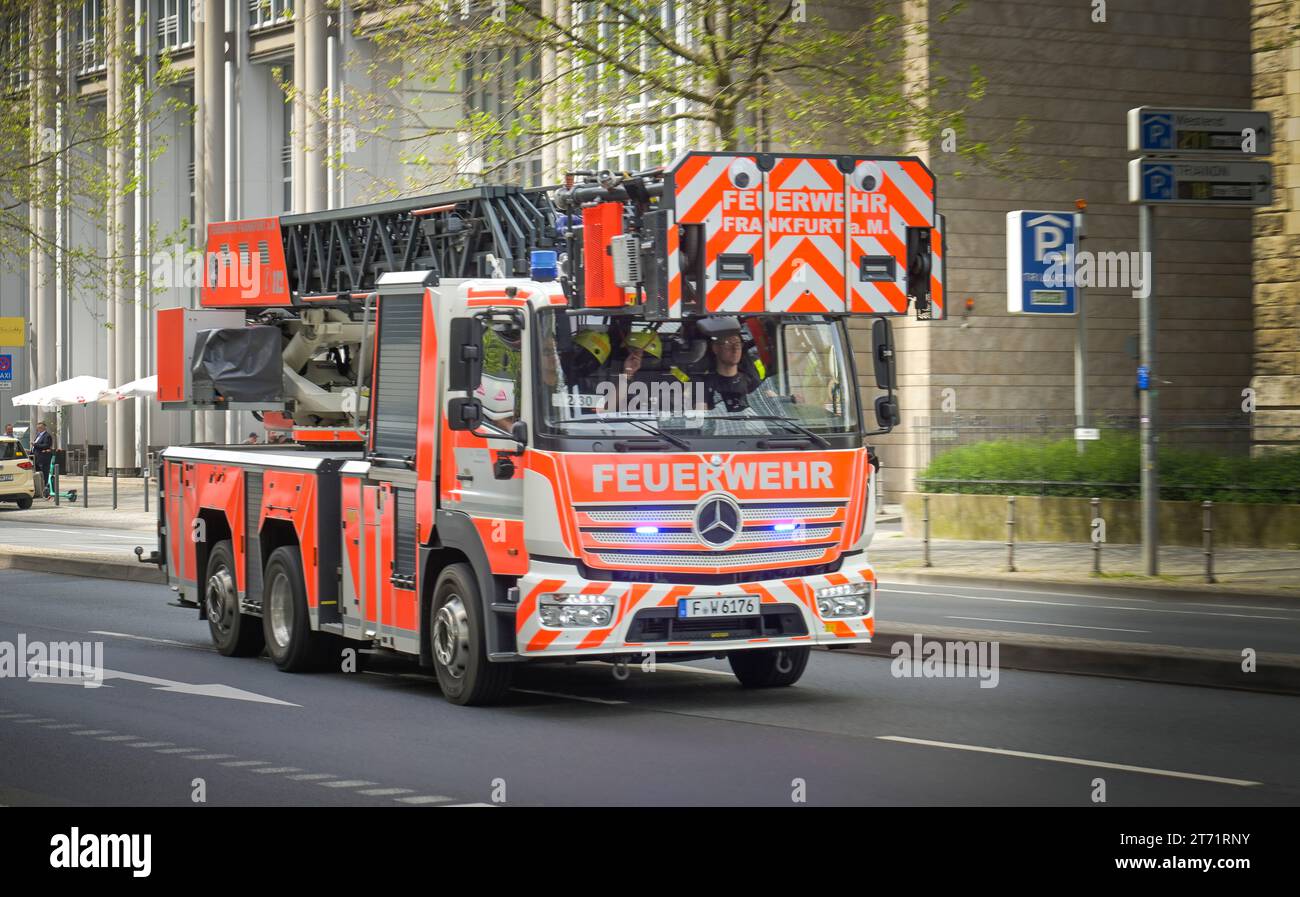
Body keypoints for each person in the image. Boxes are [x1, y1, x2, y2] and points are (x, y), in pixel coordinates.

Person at [31, 421, 54, 500]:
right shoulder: (38, 435)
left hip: (43, 458)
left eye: (40, 427)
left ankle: (46, 491)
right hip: (36, 458)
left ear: (44, 427)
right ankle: (39, 491)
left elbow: (46, 445)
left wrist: (35, 445)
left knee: (44, 475)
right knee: (37, 475)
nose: (38, 429)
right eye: (38, 428)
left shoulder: (47, 435)